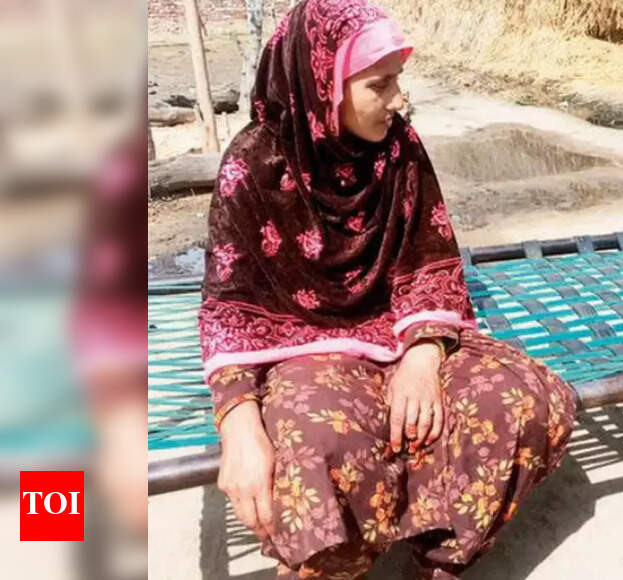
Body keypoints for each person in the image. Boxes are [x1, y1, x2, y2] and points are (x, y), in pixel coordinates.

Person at [199, 2, 576, 577]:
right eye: (380, 85)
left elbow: (431, 261)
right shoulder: (253, 166)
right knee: (318, 445)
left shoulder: (399, 149)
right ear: (322, 87)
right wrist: (239, 424)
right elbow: (229, 310)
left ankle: (439, 558)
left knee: (514, 402)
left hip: (401, 329)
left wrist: (422, 358)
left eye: (397, 80)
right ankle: (330, 567)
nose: (399, 100)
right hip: (304, 349)